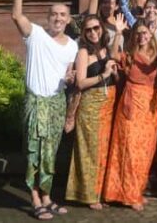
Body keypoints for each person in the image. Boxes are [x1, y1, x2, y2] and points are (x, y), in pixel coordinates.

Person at [11, 0, 77, 221]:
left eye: (63, 15)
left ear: (68, 20)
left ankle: (47, 196)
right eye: (54, 15)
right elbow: (16, 16)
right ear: (48, 18)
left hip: (57, 103)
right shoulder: (35, 35)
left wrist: (71, 78)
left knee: (51, 151)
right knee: (33, 151)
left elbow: (69, 75)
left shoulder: (72, 45)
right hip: (36, 102)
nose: (58, 19)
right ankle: (35, 198)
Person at [103, 18, 157, 211]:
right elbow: (113, 55)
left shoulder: (155, 52)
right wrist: (119, 32)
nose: (141, 36)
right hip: (131, 103)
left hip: (148, 105)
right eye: (138, 33)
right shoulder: (129, 53)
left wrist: (155, 35)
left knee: (145, 151)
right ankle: (127, 194)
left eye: (145, 33)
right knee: (129, 149)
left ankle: (136, 190)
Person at [65, 14, 121, 210]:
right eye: (88, 30)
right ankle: (88, 195)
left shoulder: (105, 49)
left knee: (103, 150)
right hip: (90, 105)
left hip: (109, 104)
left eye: (96, 28)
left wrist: (113, 74)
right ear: (84, 33)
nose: (93, 33)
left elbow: (115, 71)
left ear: (102, 29)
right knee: (89, 150)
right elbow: (80, 83)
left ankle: (99, 192)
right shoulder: (83, 53)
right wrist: (102, 75)